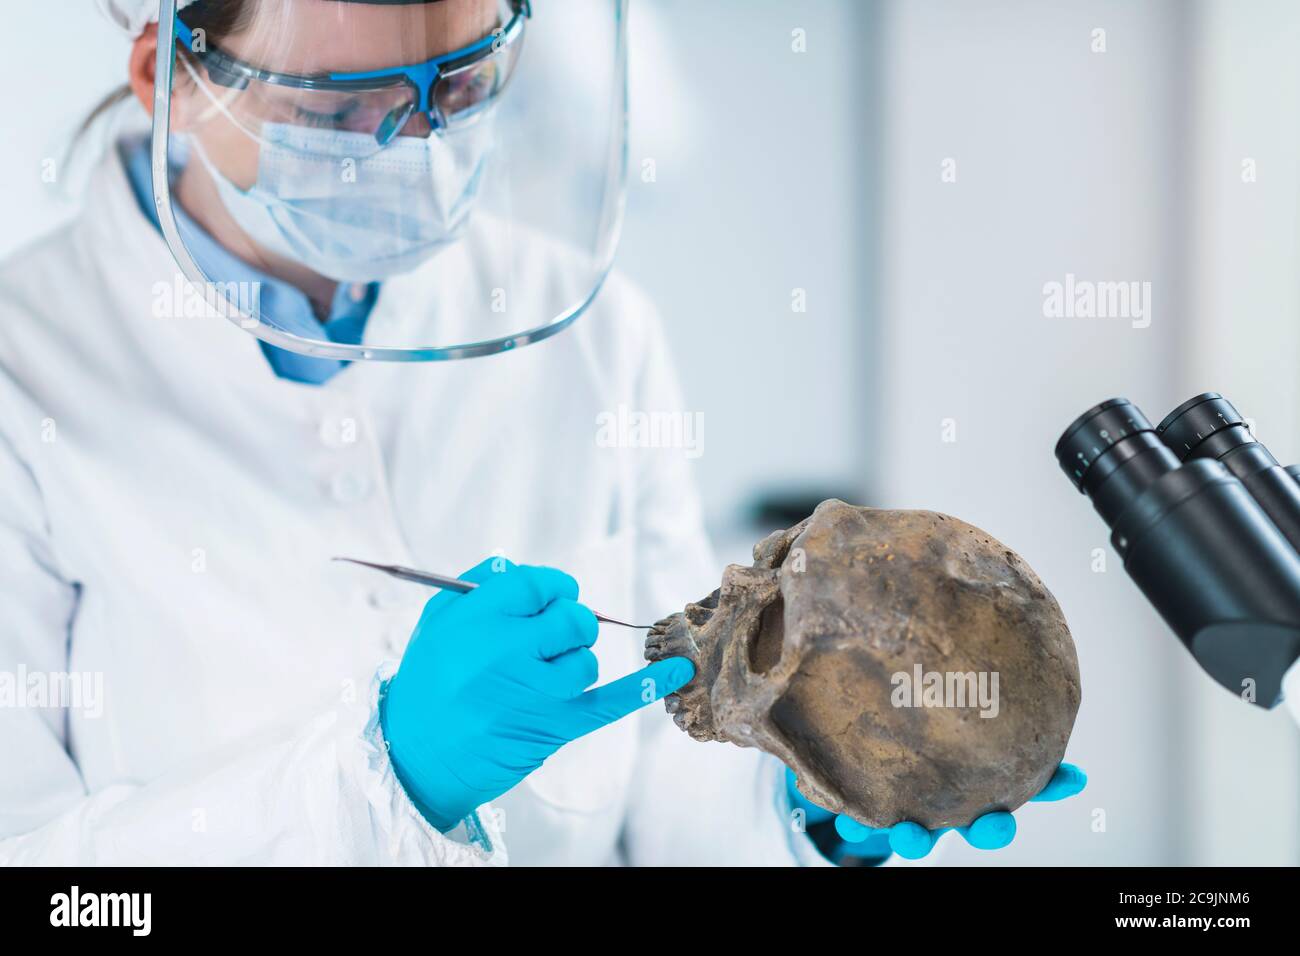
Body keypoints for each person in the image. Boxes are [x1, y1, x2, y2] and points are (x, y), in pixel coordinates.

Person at [0, 0, 1082, 866]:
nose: (413, 146)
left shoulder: (593, 332)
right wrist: (389, 776)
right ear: (167, 79)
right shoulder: (24, 371)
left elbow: (672, 780)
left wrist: (806, 802)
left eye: (460, 86)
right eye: (337, 112)